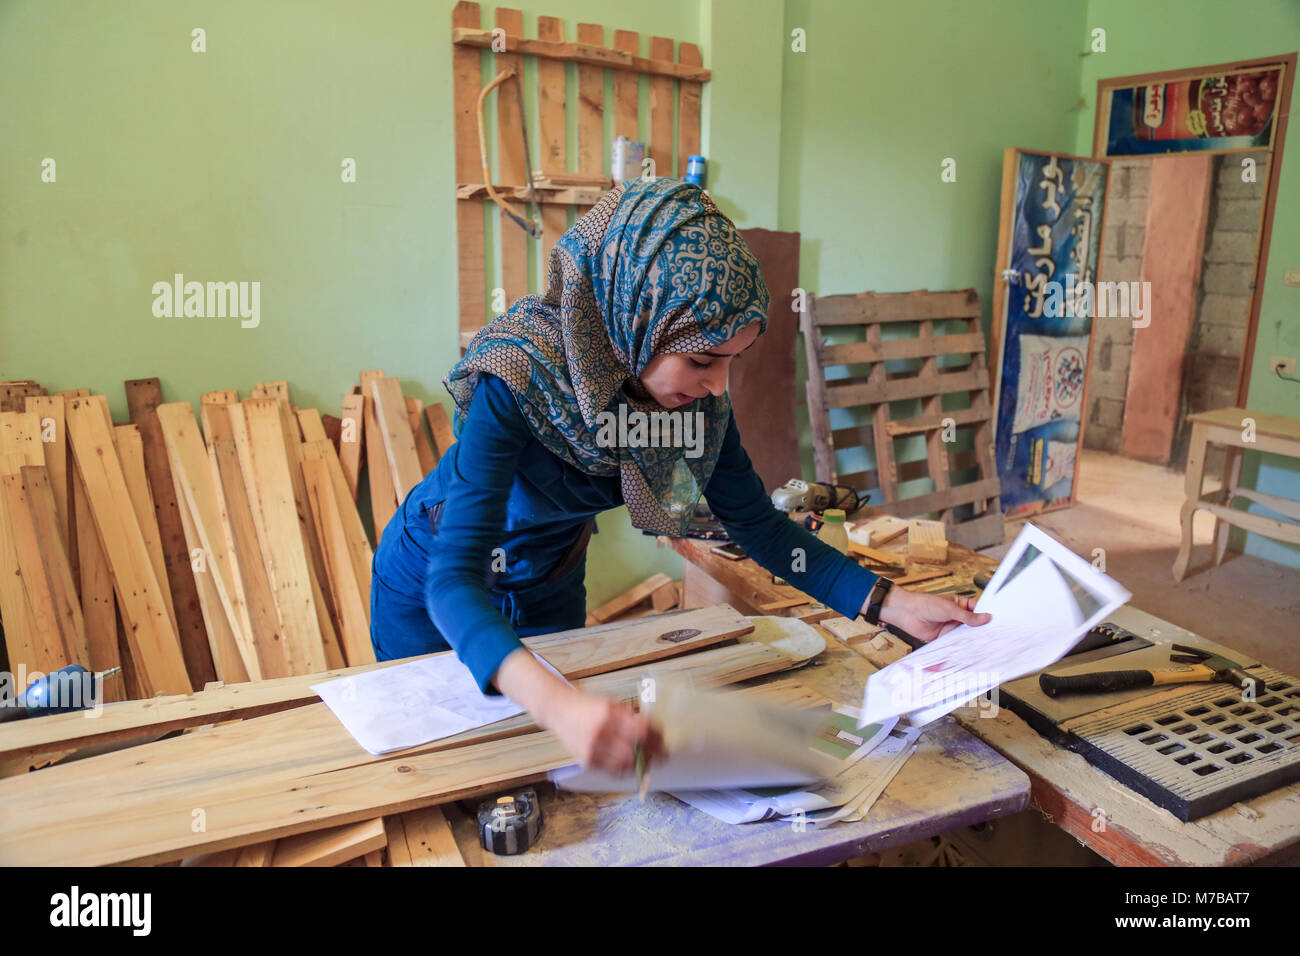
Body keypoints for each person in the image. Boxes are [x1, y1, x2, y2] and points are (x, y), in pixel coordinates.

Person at [370, 177, 990, 776]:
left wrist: (890, 603)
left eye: (732, 362)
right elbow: (452, 581)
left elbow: (760, 529)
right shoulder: (518, 373)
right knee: (443, 771)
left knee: (542, 775)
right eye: (700, 360)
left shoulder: (691, 405)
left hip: (550, 577)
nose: (717, 387)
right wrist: (559, 706)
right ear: (633, 318)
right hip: (434, 581)